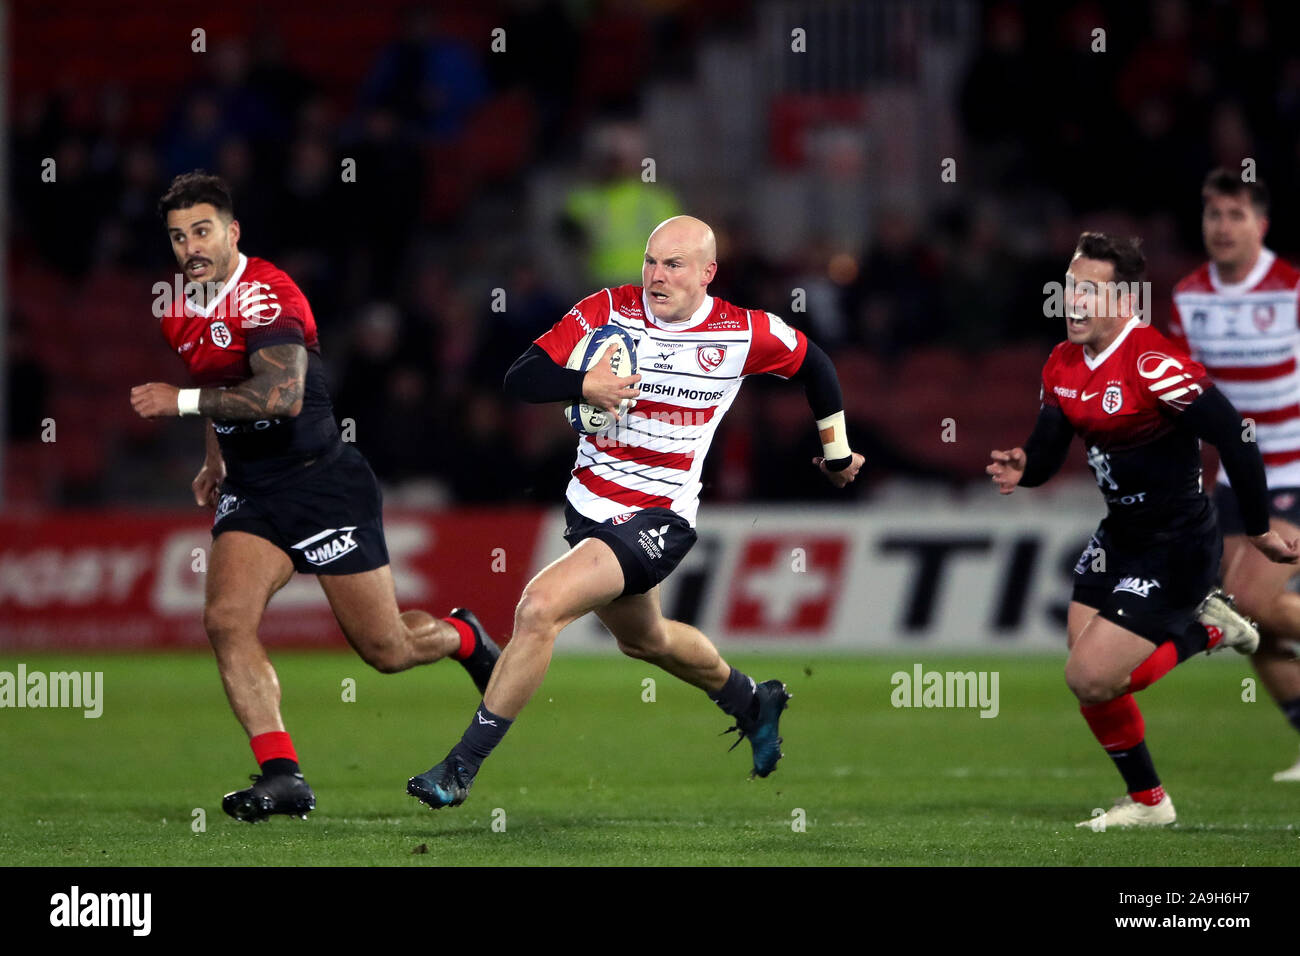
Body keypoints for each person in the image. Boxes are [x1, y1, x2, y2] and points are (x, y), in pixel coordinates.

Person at [407, 215, 865, 809]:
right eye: (650, 262)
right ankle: (752, 701)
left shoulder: (743, 332)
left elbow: (816, 366)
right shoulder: (607, 309)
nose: (656, 276)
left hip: (659, 518)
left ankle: (460, 768)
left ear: (708, 272)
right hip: (589, 510)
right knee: (646, 640)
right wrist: (583, 384)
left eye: (673, 265)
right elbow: (521, 378)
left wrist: (836, 453)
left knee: (539, 608)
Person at [130, 171, 499, 823]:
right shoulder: (178, 308)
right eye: (179, 236)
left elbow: (280, 395)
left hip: (321, 483)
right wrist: (214, 458)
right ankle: (283, 776)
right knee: (225, 620)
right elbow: (224, 386)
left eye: (203, 230)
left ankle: (463, 637)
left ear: (233, 232)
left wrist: (179, 402)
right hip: (253, 491)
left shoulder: (269, 294)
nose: (191, 246)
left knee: (386, 651)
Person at [987, 232, 1299, 828]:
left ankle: (1208, 631)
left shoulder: (1154, 364)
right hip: (1121, 537)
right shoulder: (1062, 362)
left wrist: (1259, 531)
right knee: (1091, 674)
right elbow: (1047, 453)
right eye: (1070, 287)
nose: (1073, 300)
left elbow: (1236, 437)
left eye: (1090, 290)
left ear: (1125, 301)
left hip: (1177, 544)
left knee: (1089, 677)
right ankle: (1150, 803)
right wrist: (1024, 469)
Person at [1169, 169, 1300, 782]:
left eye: (1235, 214)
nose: (1221, 227)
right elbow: (1181, 392)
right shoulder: (1189, 297)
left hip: (1293, 470)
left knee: (1246, 601)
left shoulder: (1291, 290)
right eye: (1213, 214)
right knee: (1240, 619)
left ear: (1261, 224)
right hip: (1230, 482)